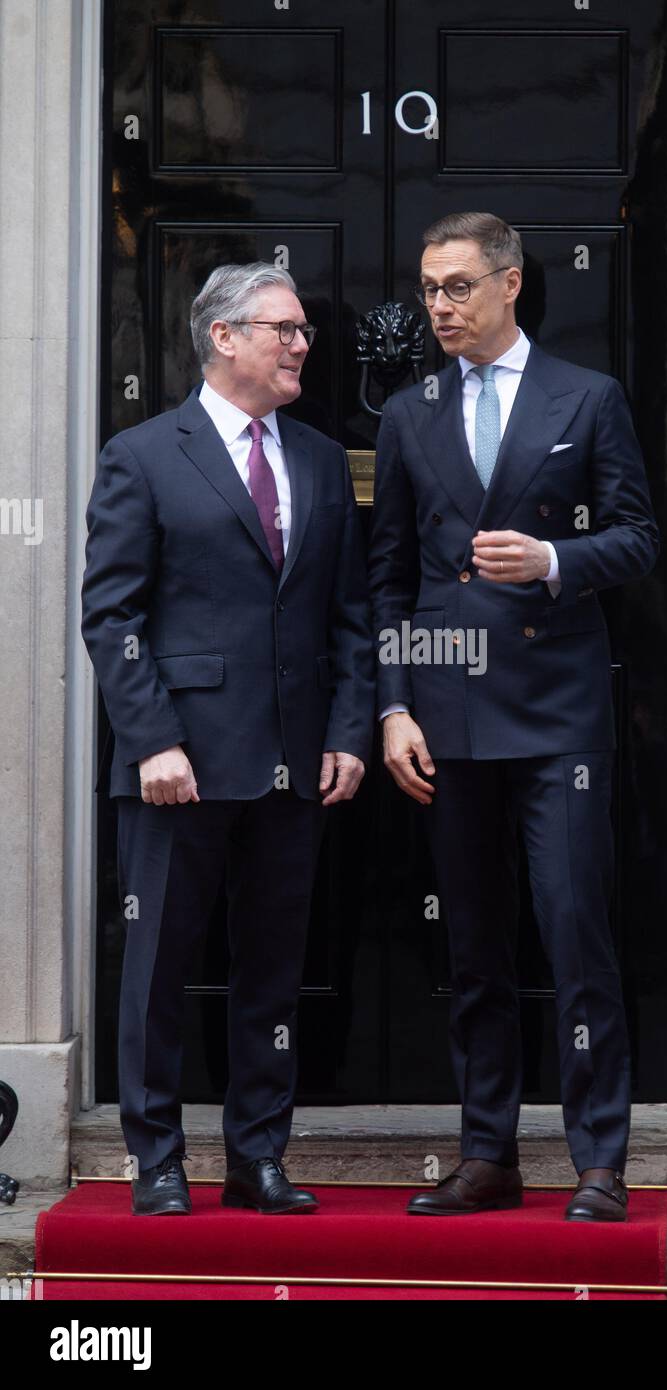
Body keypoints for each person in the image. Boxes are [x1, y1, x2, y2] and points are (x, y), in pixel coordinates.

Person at [368, 213, 660, 1220]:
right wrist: (394, 704)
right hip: (446, 716)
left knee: (576, 935)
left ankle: (598, 1161)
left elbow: (636, 539)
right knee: (473, 949)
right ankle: (485, 1153)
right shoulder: (409, 414)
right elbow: (389, 575)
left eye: (455, 287)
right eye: (427, 289)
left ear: (509, 283)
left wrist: (551, 563)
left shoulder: (587, 397)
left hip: (559, 717)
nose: (437, 307)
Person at [81, 262, 374, 1215]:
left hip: (296, 762)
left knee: (273, 971)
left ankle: (257, 1157)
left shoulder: (326, 461)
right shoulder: (144, 454)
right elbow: (112, 615)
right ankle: (157, 1159)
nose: (301, 344)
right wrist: (154, 740)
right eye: (283, 329)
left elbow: (349, 618)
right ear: (224, 337)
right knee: (160, 967)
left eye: (302, 332)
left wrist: (346, 731)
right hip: (181, 765)